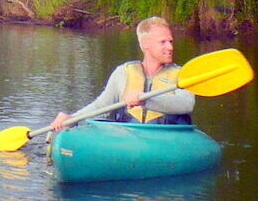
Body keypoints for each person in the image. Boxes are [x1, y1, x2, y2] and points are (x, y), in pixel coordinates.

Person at [50, 15, 195, 131]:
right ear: (145, 45)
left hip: (169, 140)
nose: (170, 47)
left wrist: (146, 100)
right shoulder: (123, 73)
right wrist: (73, 118)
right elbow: (102, 105)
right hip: (129, 139)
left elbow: (186, 104)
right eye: (163, 42)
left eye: (171, 41)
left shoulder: (182, 74)